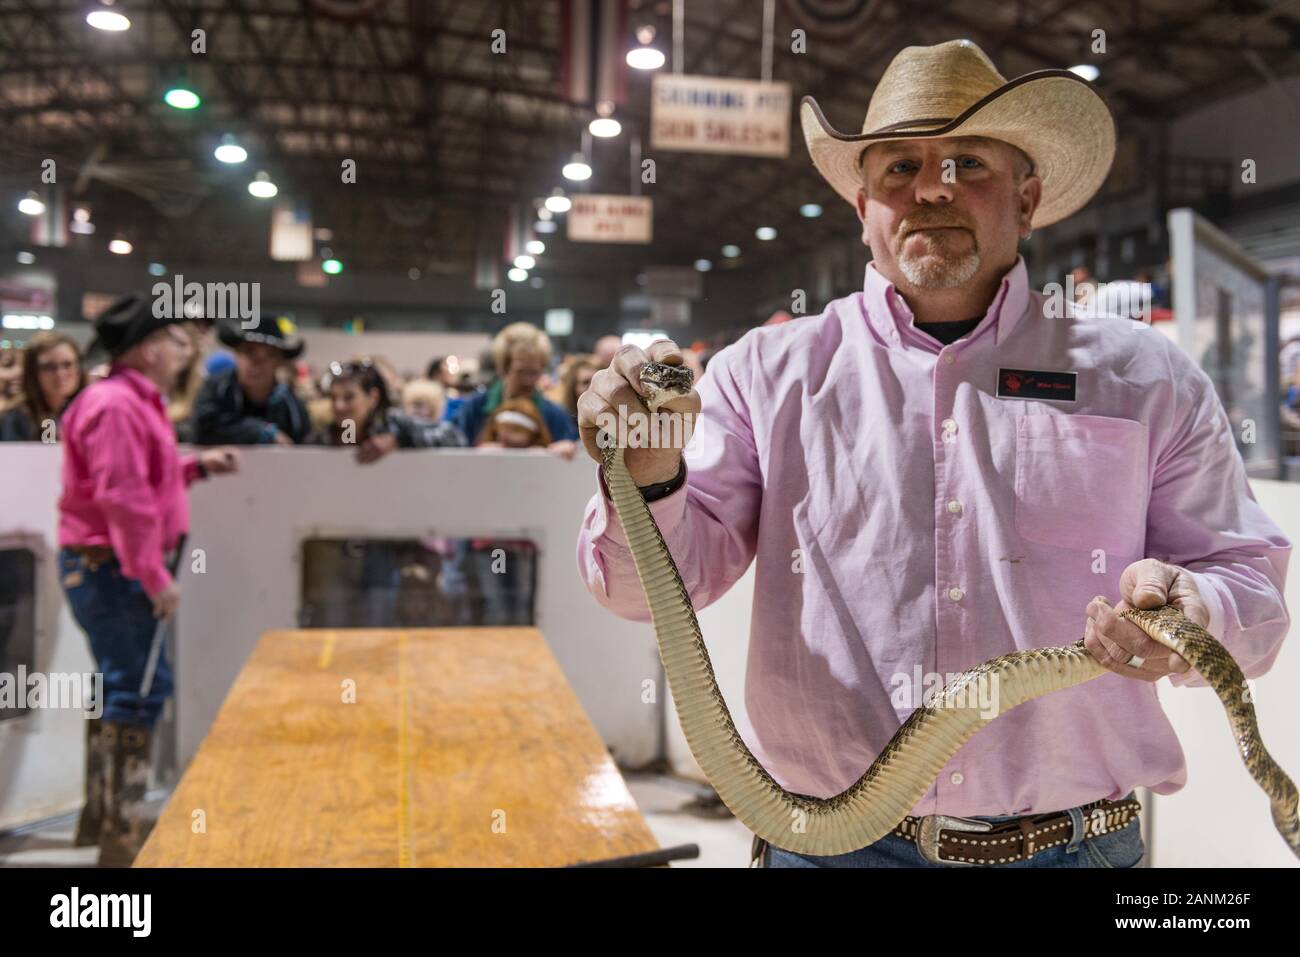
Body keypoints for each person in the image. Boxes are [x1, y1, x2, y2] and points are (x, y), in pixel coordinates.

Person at [575, 40, 1291, 869]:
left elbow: (1250, 588)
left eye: (968, 163)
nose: (930, 188)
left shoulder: (1144, 376)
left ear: (1027, 198)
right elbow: (648, 590)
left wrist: (1196, 610)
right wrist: (647, 469)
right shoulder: (765, 375)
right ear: (863, 206)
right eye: (899, 168)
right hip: (829, 847)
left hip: (1075, 848)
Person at [58, 293, 241, 866]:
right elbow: (124, 499)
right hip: (113, 569)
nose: (182, 349)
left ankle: (104, 816)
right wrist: (154, 576)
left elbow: (138, 482)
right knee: (141, 690)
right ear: (145, 349)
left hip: (104, 567)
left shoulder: (125, 401)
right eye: (172, 339)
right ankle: (122, 832)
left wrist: (193, 468)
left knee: (121, 685)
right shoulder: (117, 405)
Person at [452, 322, 578, 455]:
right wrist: (476, 453)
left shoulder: (555, 415)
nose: (528, 381)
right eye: (521, 372)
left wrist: (566, 450)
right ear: (503, 369)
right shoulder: (473, 409)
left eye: (535, 372)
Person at [314, 359, 465, 462]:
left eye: (349, 398)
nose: (338, 406)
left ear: (373, 397)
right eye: (333, 398)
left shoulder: (394, 422)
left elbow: (454, 438)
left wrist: (399, 441)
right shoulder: (324, 435)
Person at [190, 318, 312, 445]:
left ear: (279, 362)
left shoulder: (291, 407)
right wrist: (263, 432)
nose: (257, 363)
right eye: (249, 351)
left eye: (268, 355)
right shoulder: (217, 390)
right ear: (236, 354)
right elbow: (203, 429)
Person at [0, 331, 85, 441]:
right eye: (49, 367)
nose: (60, 374)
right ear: (32, 371)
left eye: (67, 364)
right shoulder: (17, 417)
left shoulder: (87, 410)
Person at [558, 353, 598, 429]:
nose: (592, 387)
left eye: (595, 381)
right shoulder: (562, 419)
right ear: (573, 388)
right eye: (586, 382)